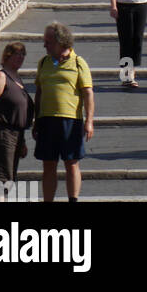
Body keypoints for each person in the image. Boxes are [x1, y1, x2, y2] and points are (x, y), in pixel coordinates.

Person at [33, 23, 94, 203]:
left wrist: (89, 121)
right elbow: (39, 93)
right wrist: (36, 120)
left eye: (49, 42)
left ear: (61, 42)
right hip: (46, 119)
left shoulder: (78, 62)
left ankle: (73, 199)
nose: (45, 45)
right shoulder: (43, 62)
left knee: (71, 162)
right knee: (48, 164)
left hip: (70, 119)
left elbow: (88, 93)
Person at [0, 41, 34, 198]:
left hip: (17, 133)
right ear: (7, 56)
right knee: (2, 178)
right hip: (3, 132)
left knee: (9, 178)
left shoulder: (17, 78)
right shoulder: (1, 76)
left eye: (23, 54)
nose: (20, 57)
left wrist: (23, 141)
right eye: (17, 54)